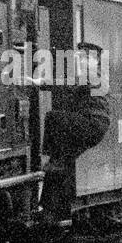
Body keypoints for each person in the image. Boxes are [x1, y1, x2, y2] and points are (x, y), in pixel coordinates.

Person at [40, 42, 110, 220]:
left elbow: (68, 85)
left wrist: (40, 83)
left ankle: (46, 155)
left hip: (92, 124)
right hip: (93, 126)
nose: (79, 59)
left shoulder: (93, 74)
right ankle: (48, 210)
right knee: (58, 165)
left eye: (83, 57)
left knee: (52, 117)